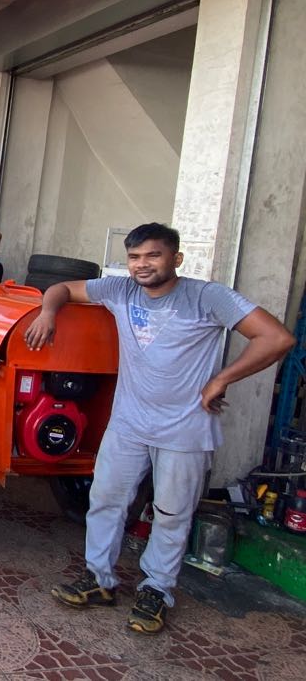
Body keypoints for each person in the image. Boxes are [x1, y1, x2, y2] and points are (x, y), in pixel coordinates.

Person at [23, 222, 293, 634]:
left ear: (176, 258)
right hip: (128, 424)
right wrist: (48, 311)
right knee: (106, 501)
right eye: (134, 257)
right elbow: (62, 288)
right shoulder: (119, 291)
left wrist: (221, 379)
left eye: (153, 255)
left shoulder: (207, 297)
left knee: (171, 513)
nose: (142, 265)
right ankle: (99, 579)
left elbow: (275, 338)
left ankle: (157, 590)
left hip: (185, 430)